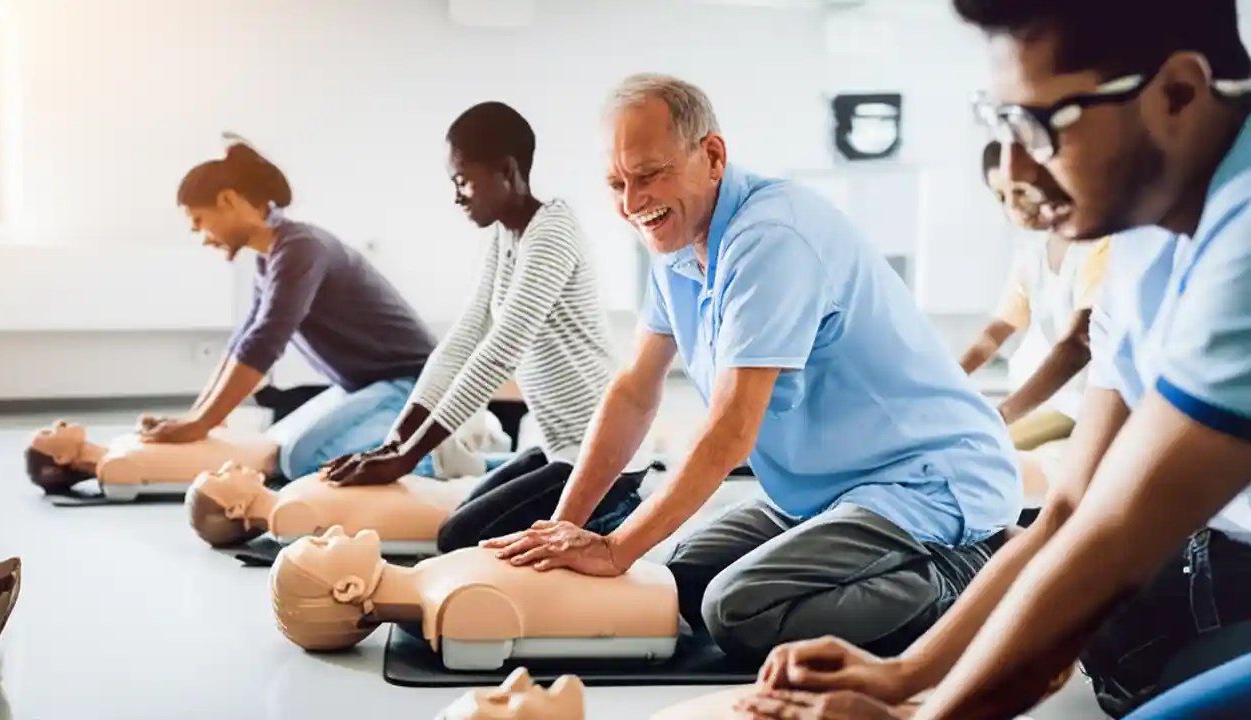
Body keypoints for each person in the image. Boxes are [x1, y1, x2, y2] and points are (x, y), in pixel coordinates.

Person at [742, 1, 1251, 718]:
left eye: (1043, 129)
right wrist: (903, 674)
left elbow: (1114, 542)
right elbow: (1069, 512)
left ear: (1177, 93)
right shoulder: (1144, 229)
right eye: (1003, 124)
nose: (1014, 167)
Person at [484, 73, 1023, 662]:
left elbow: (731, 427)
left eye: (649, 174)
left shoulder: (770, 238)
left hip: (924, 482)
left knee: (736, 610)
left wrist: (616, 549)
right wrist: (563, 528)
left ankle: (976, 574)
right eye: (617, 183)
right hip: (824, 490)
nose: (633, 203)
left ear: (712, 156)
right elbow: (635, 392)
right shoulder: (678, 243)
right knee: (678, 582)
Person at [324, 102, 647, 550]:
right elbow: (461, 342)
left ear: (506, 170)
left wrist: (408, 457)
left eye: (462, 180)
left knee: (459, 537)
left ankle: (619, 510)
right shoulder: (505, 234)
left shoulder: (553, 232)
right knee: (464, 518)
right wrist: (393, 444)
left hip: (606, 456)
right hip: (563, 448)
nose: (457, 195)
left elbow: (499, 352)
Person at [141, 138, 438, 481]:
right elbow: (244, 340)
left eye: (198, 220)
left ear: (227, 201)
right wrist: (199, 417)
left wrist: (201, 423)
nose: (201, 235)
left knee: (300, 460)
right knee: (275, 448)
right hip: (367, 386)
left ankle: (448, 456)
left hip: (413, 385)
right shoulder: (270, 259)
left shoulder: (301, 248)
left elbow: (266, 341)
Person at [960, 141, 1110, 454]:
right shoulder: (1032, 253)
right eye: (1001, 196)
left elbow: (1079, 344)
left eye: (1020, 191)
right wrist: (945, 380)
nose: (1013, 207)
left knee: (978, 452)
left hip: (1076, 406)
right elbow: (994, 333)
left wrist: (1001, 416)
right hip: (1036, 400)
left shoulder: (1096, 246)